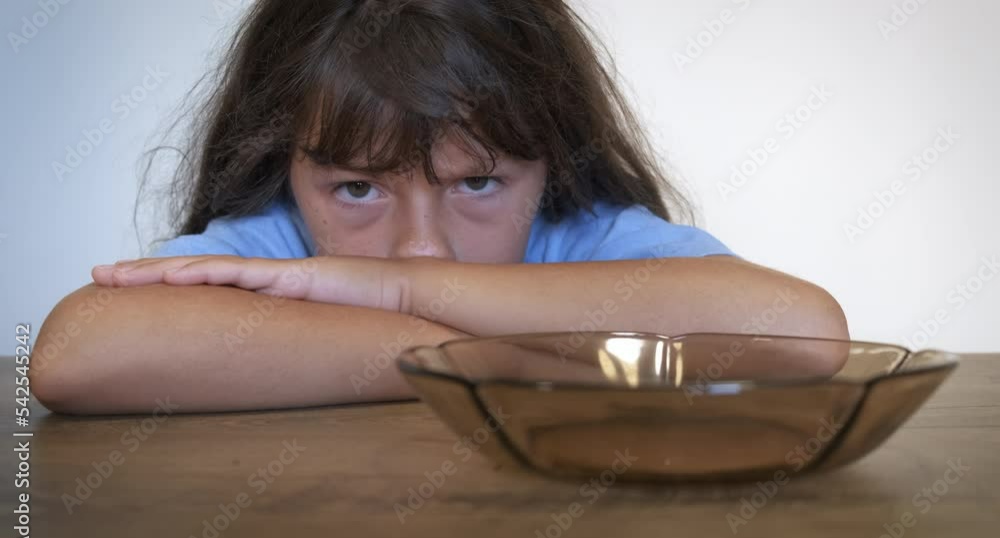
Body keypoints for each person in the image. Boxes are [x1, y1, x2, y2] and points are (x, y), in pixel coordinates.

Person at [32, 0, 848, 414]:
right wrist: (509, 353)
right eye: (357, 188)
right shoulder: (272, 242)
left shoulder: (583, 235)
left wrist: (397, 298)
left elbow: (802, 332)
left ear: (551, 161)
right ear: (283, 163)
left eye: (478, 183)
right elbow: (75, 354)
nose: (420, 248)